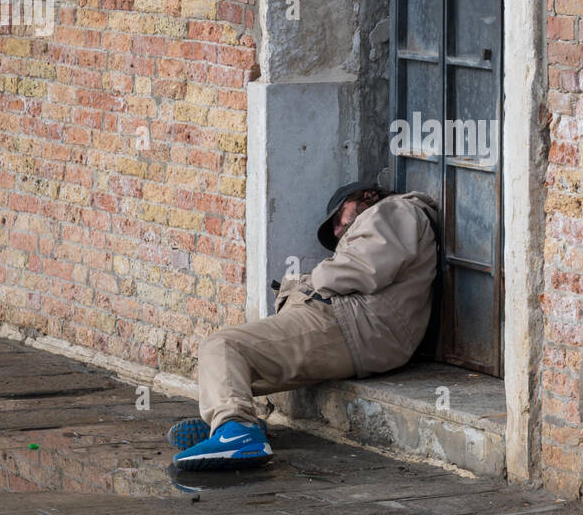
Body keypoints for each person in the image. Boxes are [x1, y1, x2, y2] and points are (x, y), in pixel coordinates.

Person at [168, 179, 439, 469]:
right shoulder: (386, 221)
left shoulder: (394, 210)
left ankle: (236, 432)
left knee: (222, 346)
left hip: (354, 325)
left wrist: (308, 282)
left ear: (367, 196)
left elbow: (361, 270)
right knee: (235, 365)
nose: (336, 230)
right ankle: (234, 423)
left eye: (338, 217)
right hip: (360, 330)